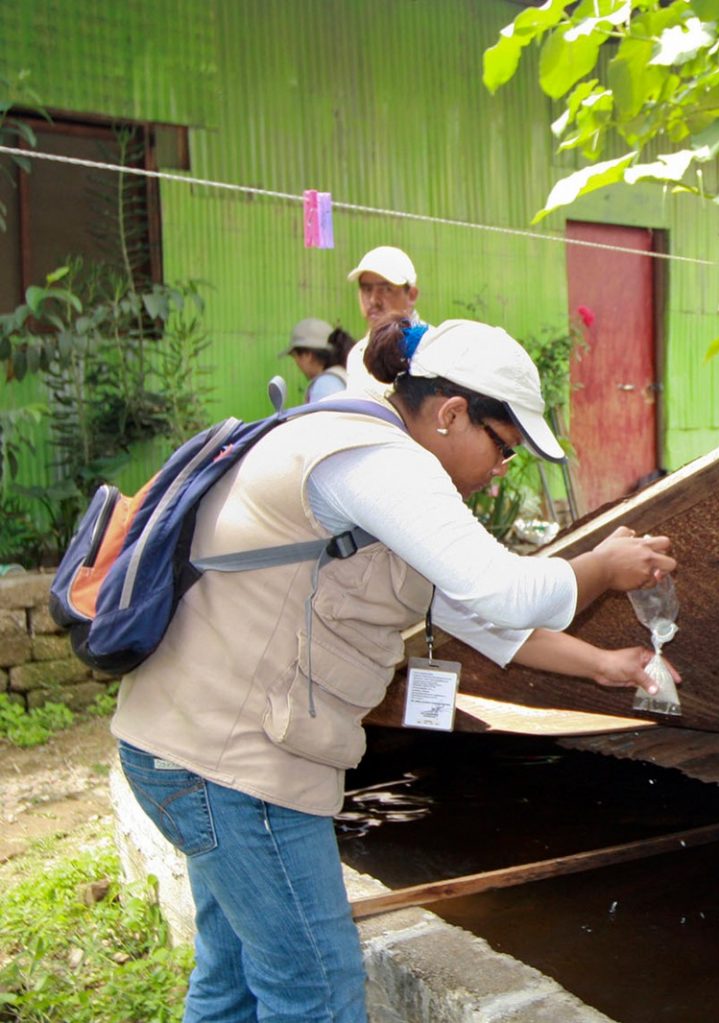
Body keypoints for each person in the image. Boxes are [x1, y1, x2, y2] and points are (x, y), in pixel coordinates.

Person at [112, 316, 677, 1023]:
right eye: (503, 447)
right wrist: (601, 566)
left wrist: (603, 665)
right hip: (233, 766)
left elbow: (483, 616)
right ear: (450, 413)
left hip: (193, 746)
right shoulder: (374, 459)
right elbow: (503, 588)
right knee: (316, 990)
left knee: (233, 980)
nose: (504, 468)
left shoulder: (380, 462)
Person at [344, 244, 423, 397]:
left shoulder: (429, 346)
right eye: (367, 289)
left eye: (386, 289)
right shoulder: (357, 354)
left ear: (412, 295)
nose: (374, 300)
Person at [285, 317, 354, 402]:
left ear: (307, 355)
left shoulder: (324, 386)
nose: (297, 364)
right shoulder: (346, 375)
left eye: (295, 357)